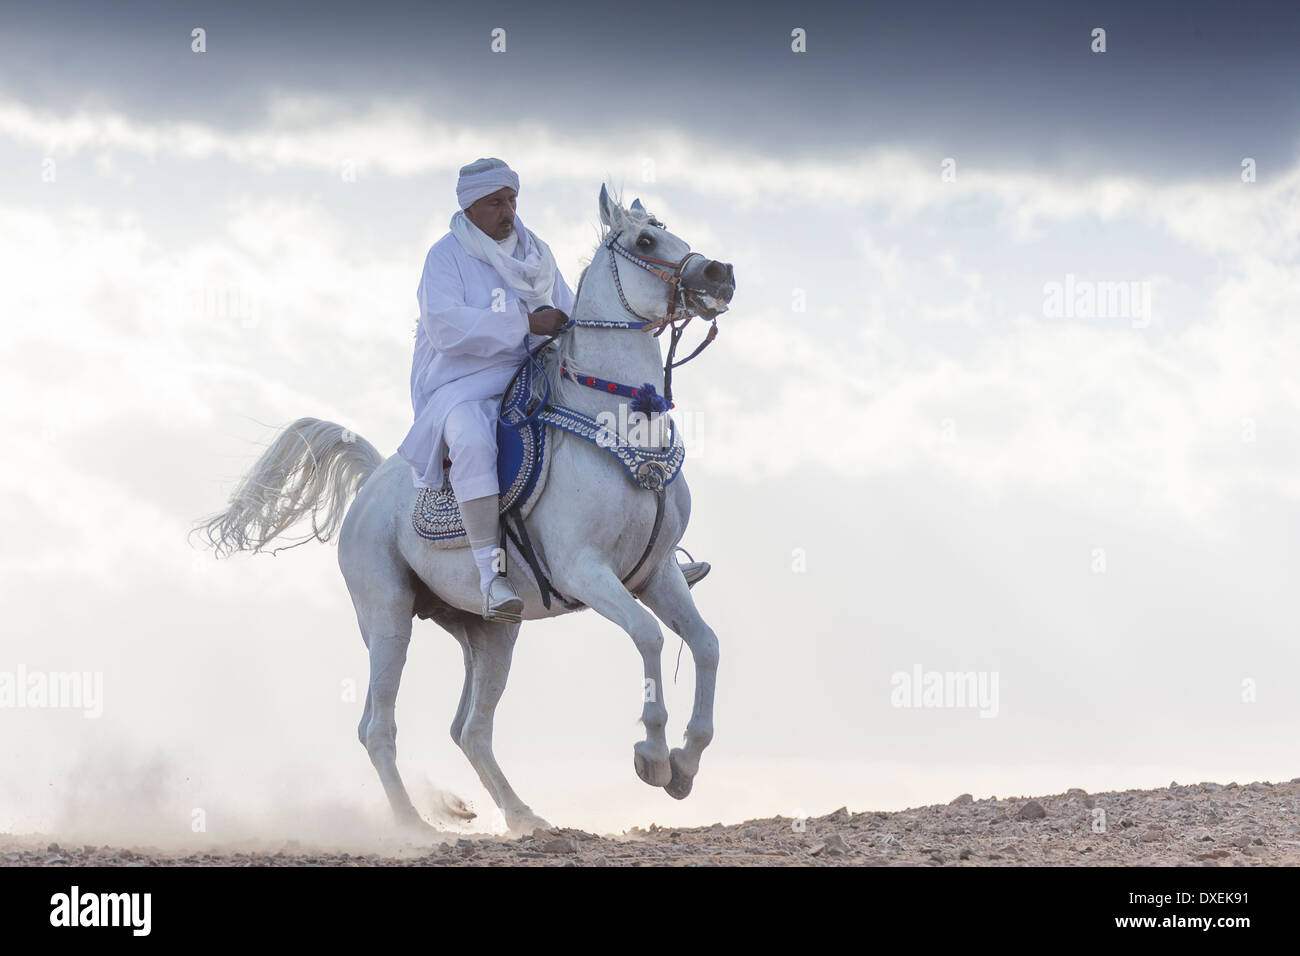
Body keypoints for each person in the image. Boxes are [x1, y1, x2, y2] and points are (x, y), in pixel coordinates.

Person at [399, 158, 708, 622]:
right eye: (495, 203)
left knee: (615, 419)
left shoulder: (534, 250)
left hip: (533, 370)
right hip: (463, 384)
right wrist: (523, 323)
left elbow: (565, 305)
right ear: (471, 207)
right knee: (471, 440)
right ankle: (491, 577)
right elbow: (446, 329)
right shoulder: (444, 257)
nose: (507, 211)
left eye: (511, 200)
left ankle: (655, 556)